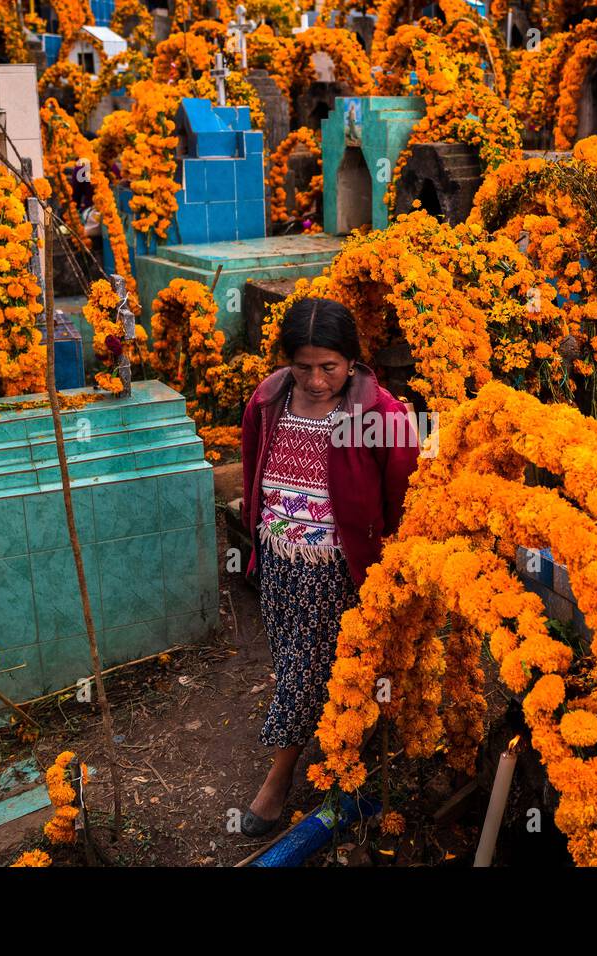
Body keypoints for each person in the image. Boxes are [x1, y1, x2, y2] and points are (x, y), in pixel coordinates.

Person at [237, 297, 420, 836]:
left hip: (336, 570)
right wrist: (258, 539)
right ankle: (339, 744)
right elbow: (252, 469)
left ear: (352, 360)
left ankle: (279, 780)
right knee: (298, 664)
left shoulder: (380, 414)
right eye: (304, 367)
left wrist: (388, 565)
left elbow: (402, 493)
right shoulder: (268, 401)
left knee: (304, 672)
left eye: (329, 367)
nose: (316, 380)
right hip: (278, 560)